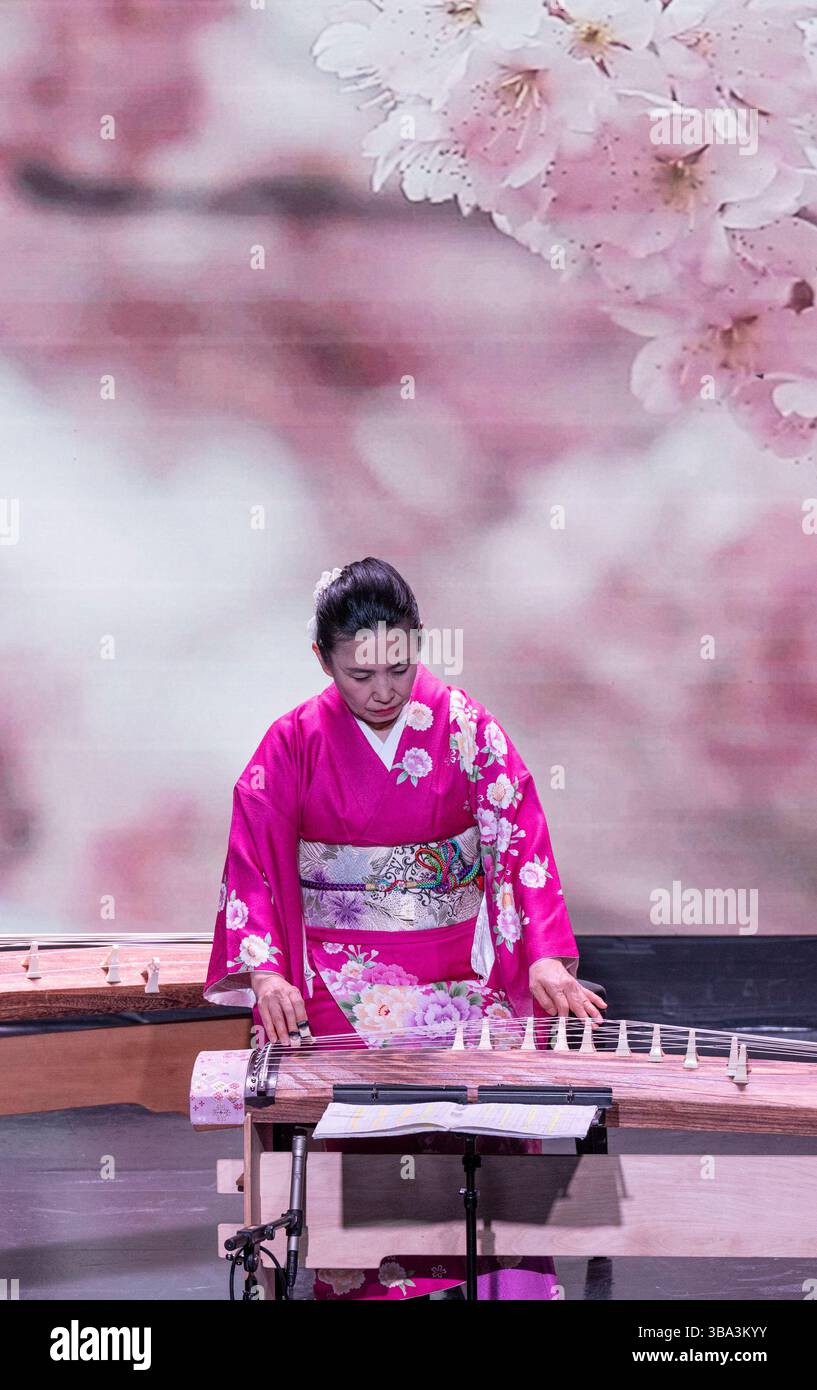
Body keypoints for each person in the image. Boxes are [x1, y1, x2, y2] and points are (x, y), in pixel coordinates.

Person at [204, 557, 605, 1299]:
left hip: (453, 970)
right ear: (322, 659)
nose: (383, 690)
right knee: (355, 1099)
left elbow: (518, 836)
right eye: (360, 675)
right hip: (337, 978)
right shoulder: (292, 742)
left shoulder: (464, 728)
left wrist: (545, 956)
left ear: (417, 643)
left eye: (398, 665)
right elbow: (252, 858)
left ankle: (498, 1276)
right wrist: (266, 971)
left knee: (488, 1088)